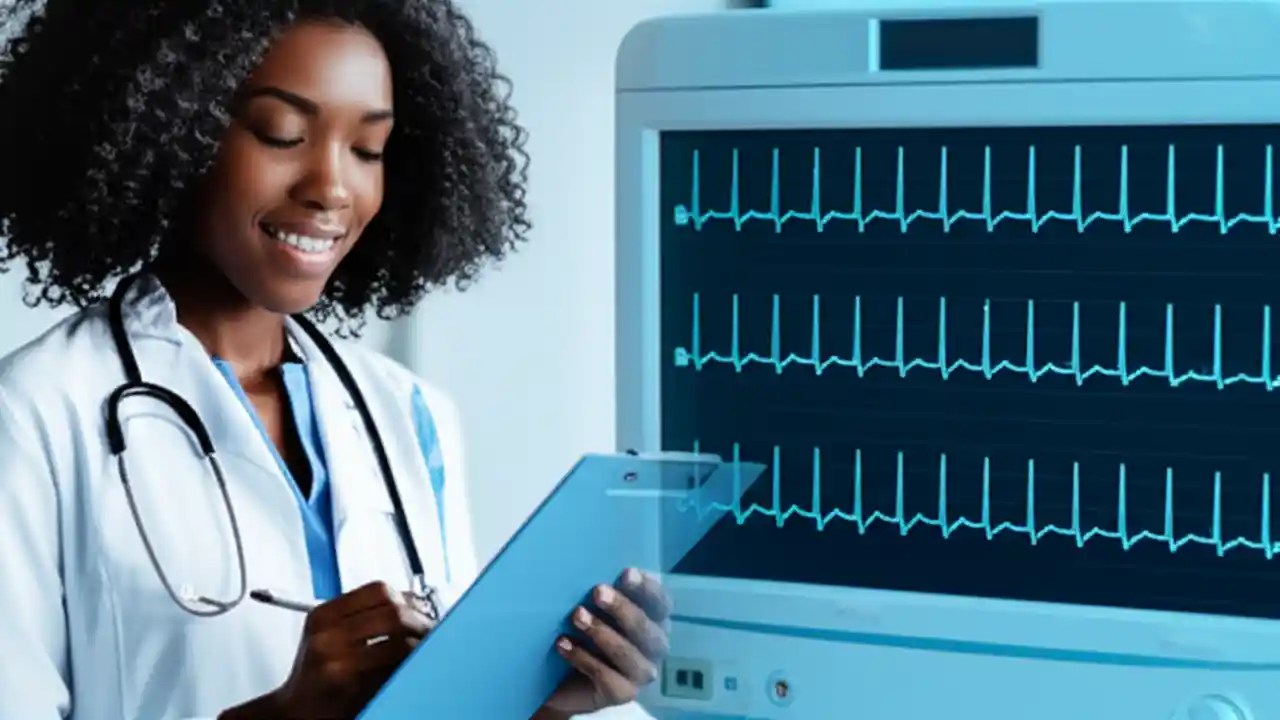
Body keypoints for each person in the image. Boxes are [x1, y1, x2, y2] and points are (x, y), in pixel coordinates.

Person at [0, 1, 670, 718]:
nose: (331, 187)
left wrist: (542, 700)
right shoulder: (36, 414)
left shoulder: (406, 414)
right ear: (172, 133)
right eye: (281, 134)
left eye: (368, 149)